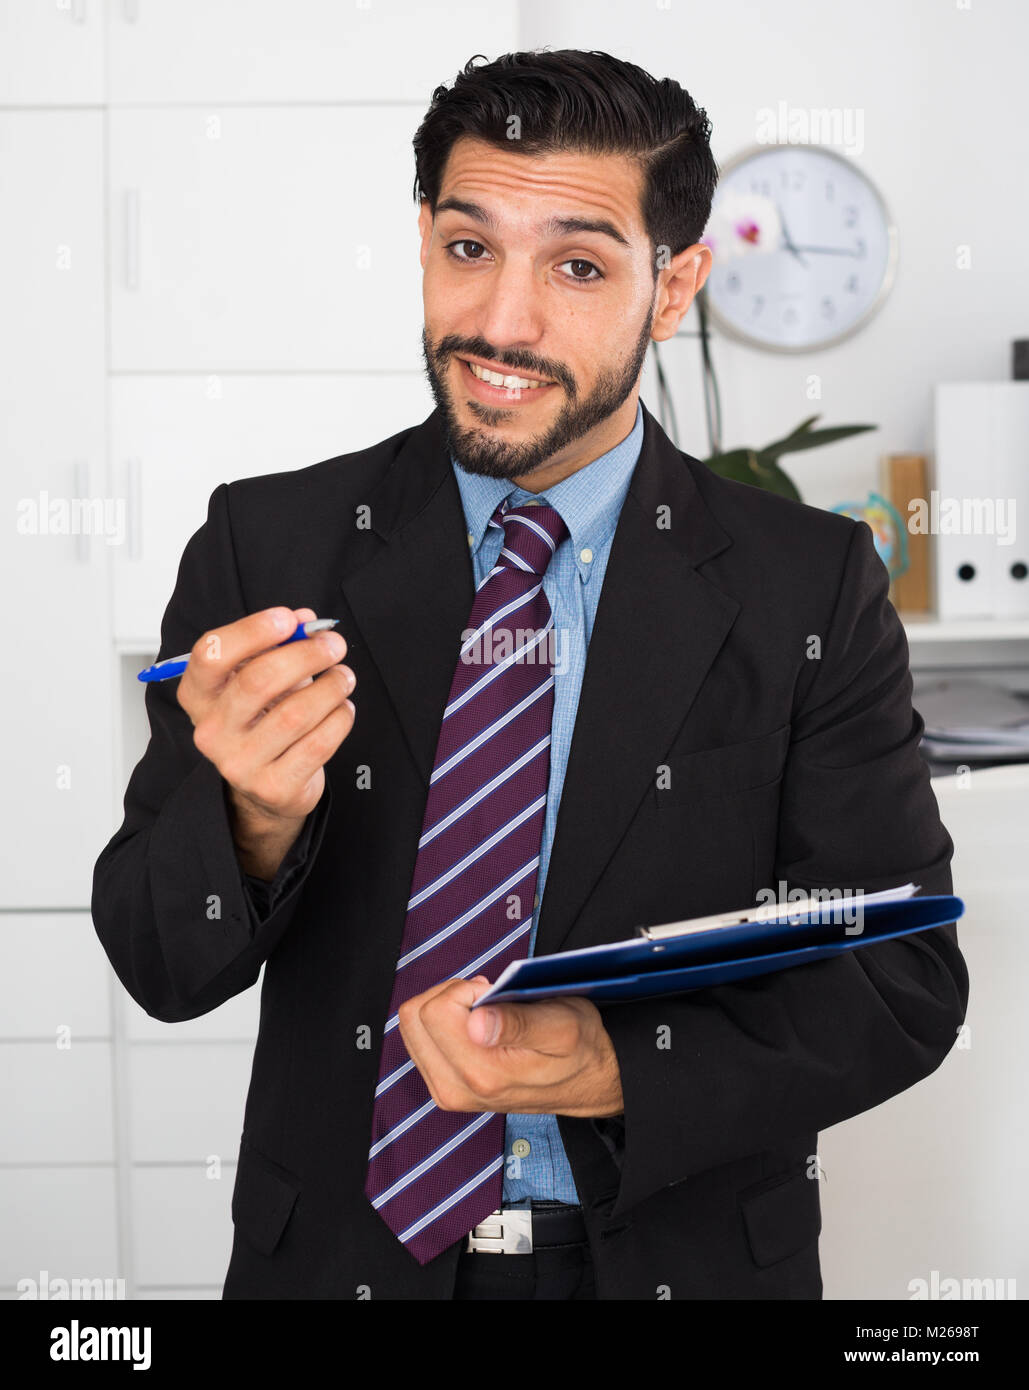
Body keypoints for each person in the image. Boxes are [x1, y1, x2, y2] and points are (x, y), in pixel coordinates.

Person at [92, 49, 968, 1301]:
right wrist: (247, 820)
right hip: (338, 1265)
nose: (502, 322)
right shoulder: (267, 544)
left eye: (578, 264)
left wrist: (610, 1062)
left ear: (674, 288)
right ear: (422, 243)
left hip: (680, 1263)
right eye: (468, 248)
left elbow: (900, 980)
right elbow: (156, 960)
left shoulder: (807, 583)